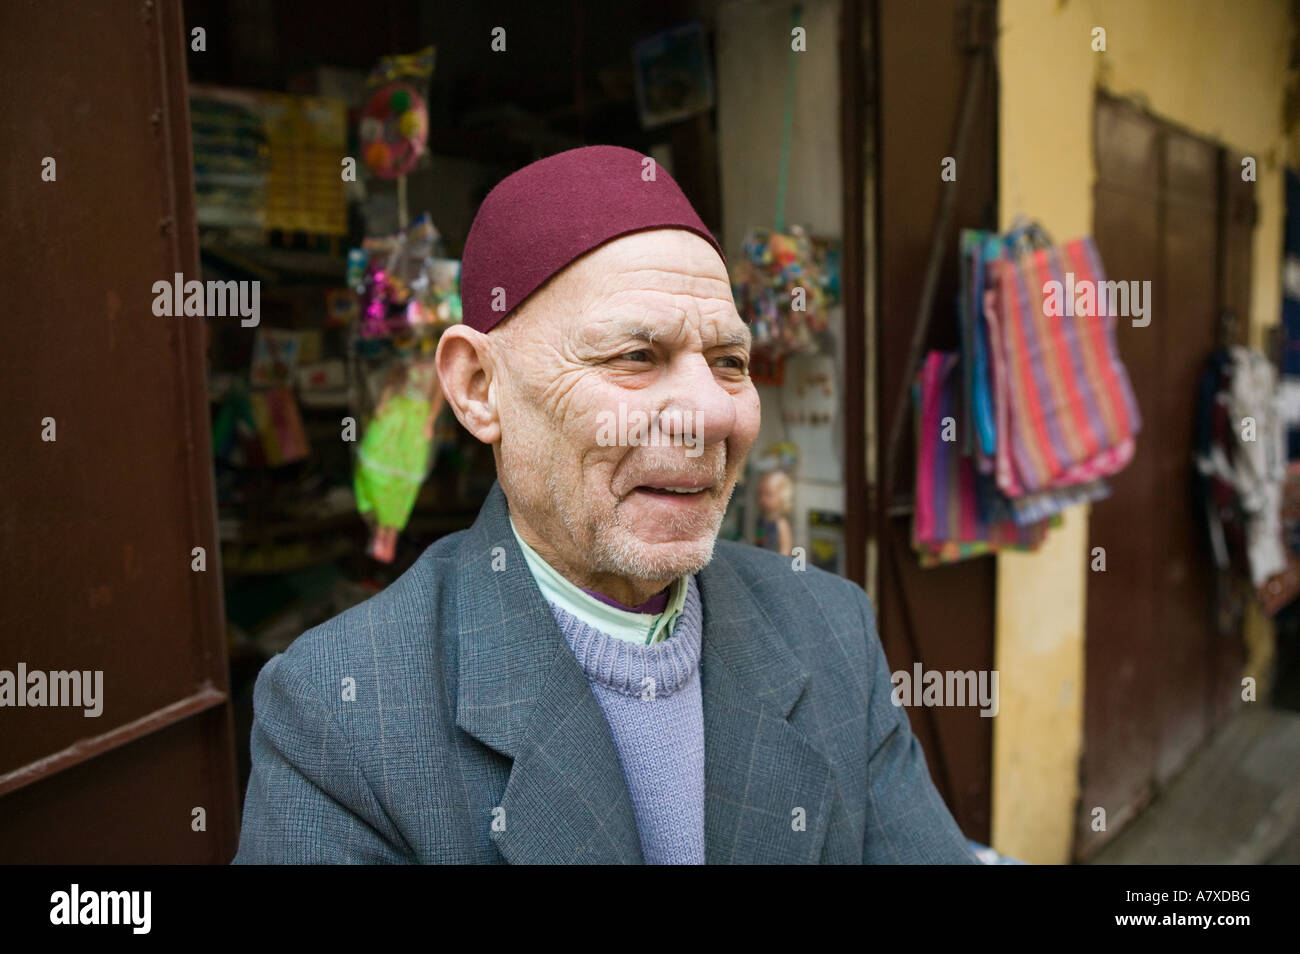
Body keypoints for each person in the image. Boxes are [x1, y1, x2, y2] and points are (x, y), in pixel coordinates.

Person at [233, 145, 975, 864]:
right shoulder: (342, 713)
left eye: (729, 363)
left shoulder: (830, 631)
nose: (707, 415)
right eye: (635, 357)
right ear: (478, 388)